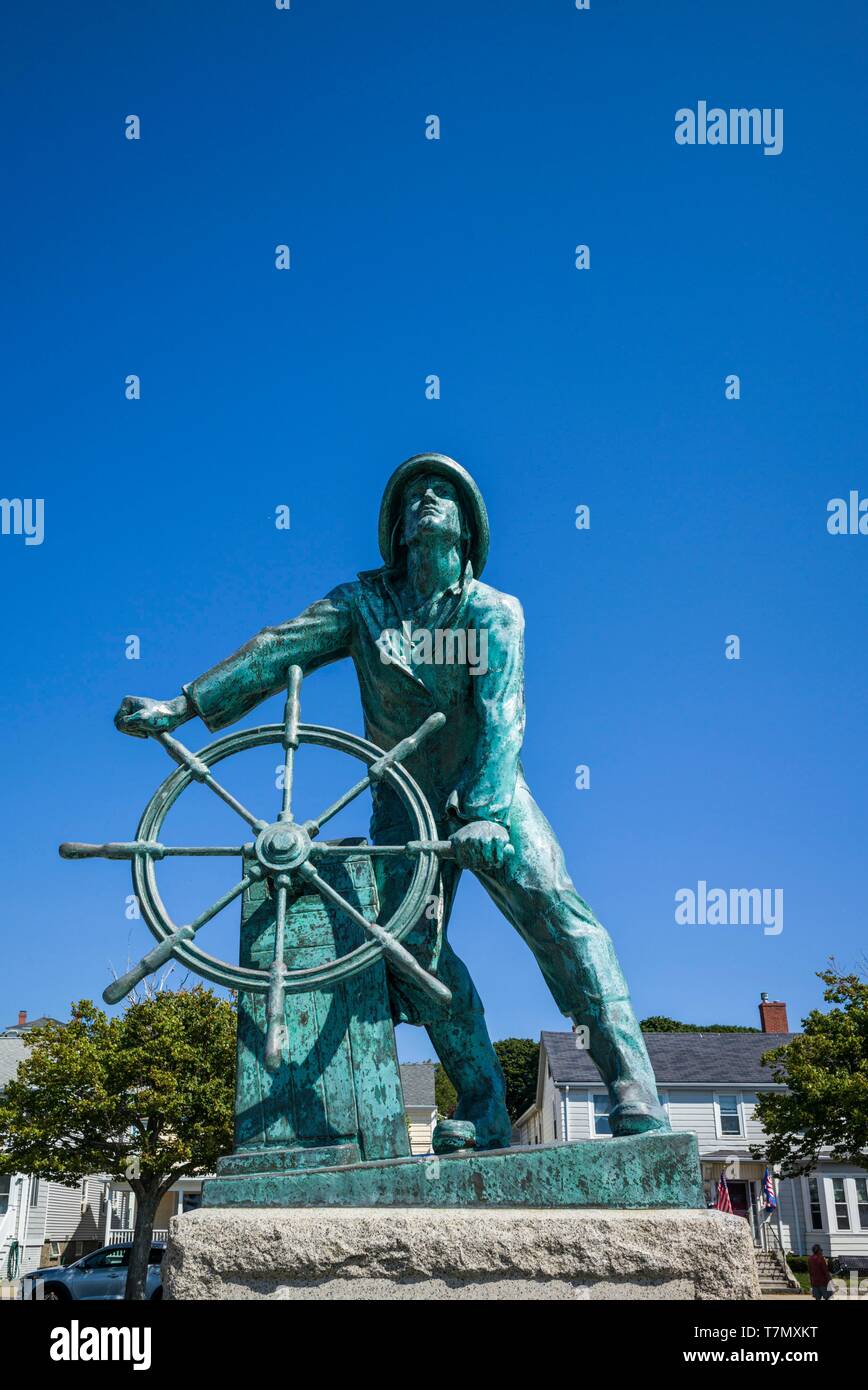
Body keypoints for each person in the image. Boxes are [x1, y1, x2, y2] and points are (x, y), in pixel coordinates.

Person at [114, 452, 669, 1149]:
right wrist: (182, 707)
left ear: (468, 528)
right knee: (413, 951)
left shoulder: (492, 613)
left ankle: (632, 1085)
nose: (427, 500)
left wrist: (490, 812)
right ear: (399, 531)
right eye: (414, 497)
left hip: (485, 784)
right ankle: (484, 1102)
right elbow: (273, 650)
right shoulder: (362, 607)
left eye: (444, 493)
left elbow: (503, 717)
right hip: (402, 806)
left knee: (560, 918)